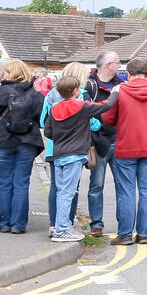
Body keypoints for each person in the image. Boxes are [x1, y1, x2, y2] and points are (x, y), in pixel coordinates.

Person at [100, 58, 147, 245]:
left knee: (126, 191)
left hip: (126, 147)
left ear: (128, 73)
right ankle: (143, 234)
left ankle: (125, 234)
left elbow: (107, 118)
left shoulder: (120, 92)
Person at [43, 75, 116, 242]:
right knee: (68, 193)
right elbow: (107, 105)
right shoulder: (82, 106)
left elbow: (48, 132)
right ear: (76, 91)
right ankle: (62, 230)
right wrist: (116, 92)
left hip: (59, 155)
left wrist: (62, 136)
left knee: (62, 192)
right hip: (74, 156)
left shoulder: (54, 108)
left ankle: (63, 227)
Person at [40, 61, 97, 236]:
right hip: (74, 148)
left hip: (53, 148)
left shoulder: (50, 95)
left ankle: (54, 224)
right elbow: (93, 124)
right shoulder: (82, 96)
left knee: (56, 187)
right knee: (71, 189)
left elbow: (43, 121)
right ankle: (66, 225)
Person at [0, 60, 46, 234]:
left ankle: (4, 222)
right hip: (28, 142)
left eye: (6, 72)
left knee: (3, 183)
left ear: (12, 73)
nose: (4, 75)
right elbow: (41, 119)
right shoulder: (36, 95)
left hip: (3, 142)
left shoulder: (1, 92)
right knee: (21, 182)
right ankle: (18, 224)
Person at [86, 51, 123, 236]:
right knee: (96, 185)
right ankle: (96, 224)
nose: (120, 66)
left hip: (118, 142)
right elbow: (85, 113)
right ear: (108, 64)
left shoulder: (121, 86)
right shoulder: (90, 85)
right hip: (98, 142)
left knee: (122, 185)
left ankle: (123, 224)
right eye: (118, 62)